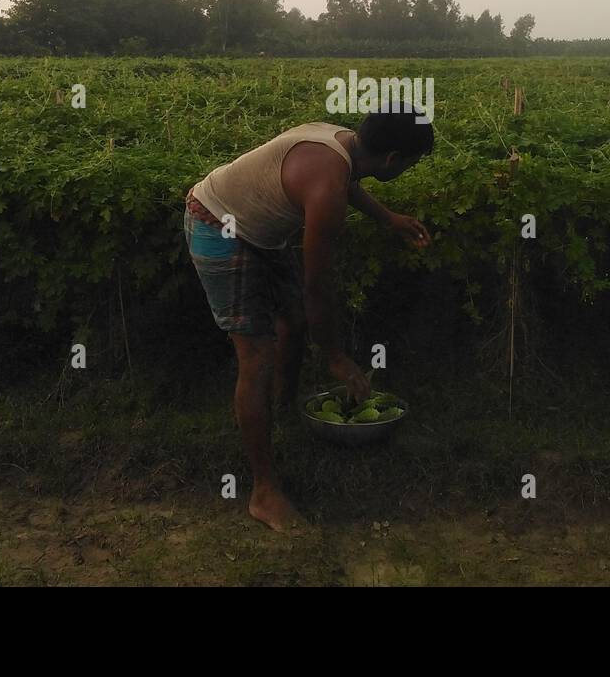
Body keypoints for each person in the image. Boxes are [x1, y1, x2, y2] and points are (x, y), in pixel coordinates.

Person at [183, 109, 433, 531]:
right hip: (217, 226)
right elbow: (319, 285)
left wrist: (387, 218)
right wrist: (334, 356)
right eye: (411, 162)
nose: (408, 169)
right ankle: (264, 492)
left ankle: (278, 410)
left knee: (294, 323)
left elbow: (348, 179)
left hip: (257, 228)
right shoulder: (326, 187)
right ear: (392, 159)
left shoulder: (341, 143)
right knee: (257, 358)